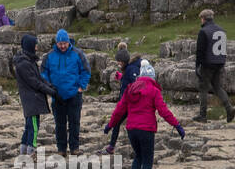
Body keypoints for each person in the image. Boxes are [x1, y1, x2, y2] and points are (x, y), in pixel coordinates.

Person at [104, 58, 183, 169]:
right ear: (152, 77)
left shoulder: (129, 89)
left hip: (131, 129)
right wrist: (176, 125)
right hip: (146, 129)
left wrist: (110, 125)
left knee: (138, 156)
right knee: (147, 160)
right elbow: (163, 111)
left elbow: (119, 110)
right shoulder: (154, 91)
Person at [40, 28, 90, 156]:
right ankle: (61, 149)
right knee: (60, 124)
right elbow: (43, 73)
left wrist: (81, 87)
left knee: (74, 122)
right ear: (56, 43)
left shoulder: (78, 54)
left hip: (74, 94)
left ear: (68, 42)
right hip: (57, 96)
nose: (62, 46)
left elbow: (86, 71)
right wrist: (49, 88)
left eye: (64, 43)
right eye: (60, 43)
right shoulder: (49, 56)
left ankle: (74, 148)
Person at [14, 33, 58, 157]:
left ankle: (23, 150)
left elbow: (39, 79)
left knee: (29, 126)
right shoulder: (23, 64)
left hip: (32, 100)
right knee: (34, 126)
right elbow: (35, 83)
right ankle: (31, 150)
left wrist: (50, 86)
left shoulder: (29, 61)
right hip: (31, 100)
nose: (37, 47)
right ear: (30, 46)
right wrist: (51, 92)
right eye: (35, 45)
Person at [101, 42, 142, 155]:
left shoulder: (132, 69)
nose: (118, 64)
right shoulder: (128, 68)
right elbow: (128, 80)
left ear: (124, 61)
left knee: (125, 124)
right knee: (118, 123)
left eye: (119, 61)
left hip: (130, 103)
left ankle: (117, 146)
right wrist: (121, 77)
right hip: (126, 102)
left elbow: (135, 84)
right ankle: (112, 146)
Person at [196, 9, 235, 123]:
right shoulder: (222, 30)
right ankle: (229, 108)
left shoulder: (203, 31)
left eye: (201, 18)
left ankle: (202, 115)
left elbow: (200, 51)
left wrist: (198, 66)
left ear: (203, 18)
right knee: (217, 87)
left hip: (207, 64)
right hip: (219, 63)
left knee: (203, 88)